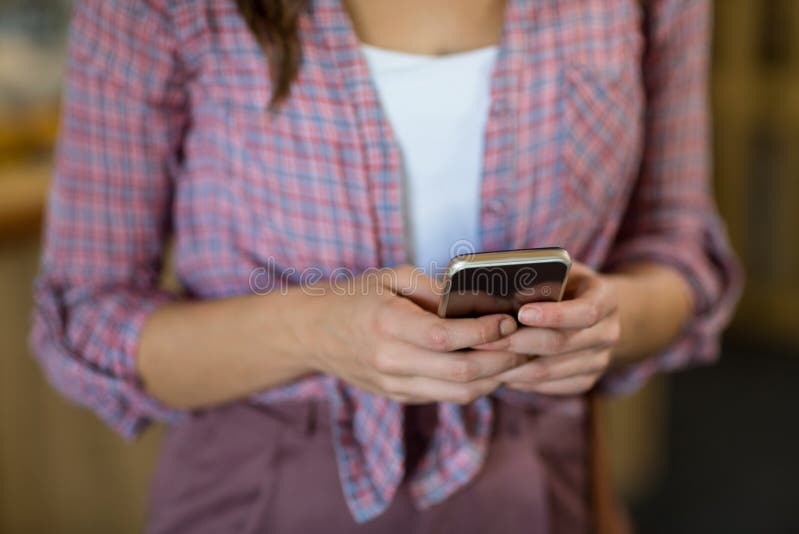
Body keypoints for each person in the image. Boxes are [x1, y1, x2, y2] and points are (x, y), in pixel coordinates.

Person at [30, 0, 742, 532]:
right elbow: (86, 312)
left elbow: (678, 253)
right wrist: (311, 331)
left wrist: (609, 318)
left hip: (540, 484)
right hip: (265, 494)